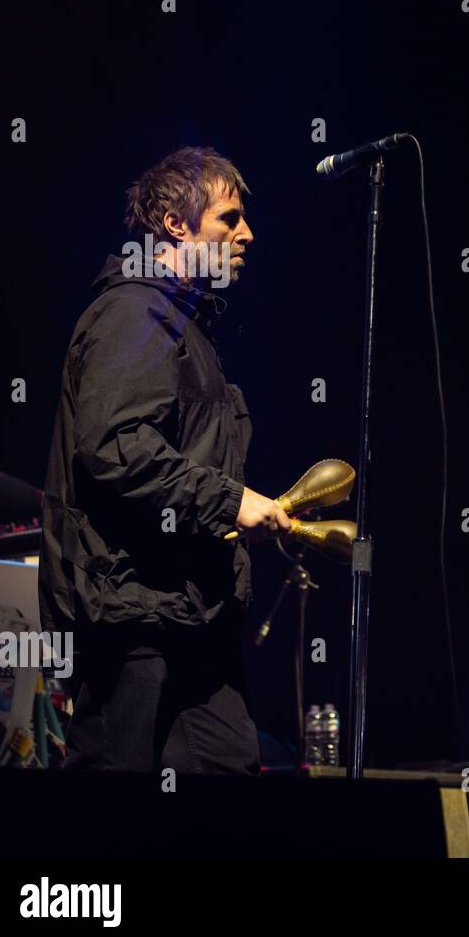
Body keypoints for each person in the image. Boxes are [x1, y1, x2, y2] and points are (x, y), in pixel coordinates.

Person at [38, 146, 292, 774]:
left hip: (188, 614)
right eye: (229, 219)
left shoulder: (184, 326)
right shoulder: (135, 311)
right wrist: (231, 501)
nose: (247, 234)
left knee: (227, 769)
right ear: (176, 224)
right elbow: (116, 446)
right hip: (133, 617)